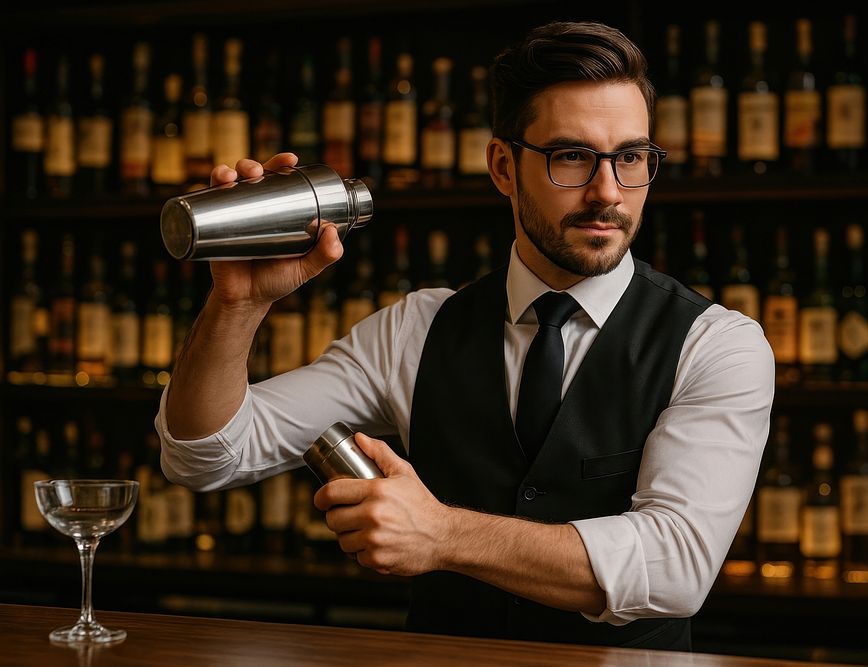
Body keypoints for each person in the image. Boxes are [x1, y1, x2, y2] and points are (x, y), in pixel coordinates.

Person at [156, 21, 774, 651]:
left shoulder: (716, 345)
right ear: (503, 167)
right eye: (571, 157)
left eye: (631, 158)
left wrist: (443, 534)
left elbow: (675, 568)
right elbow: (205, 456)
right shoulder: (415, 330)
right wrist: (237, 304)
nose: (607, 192)